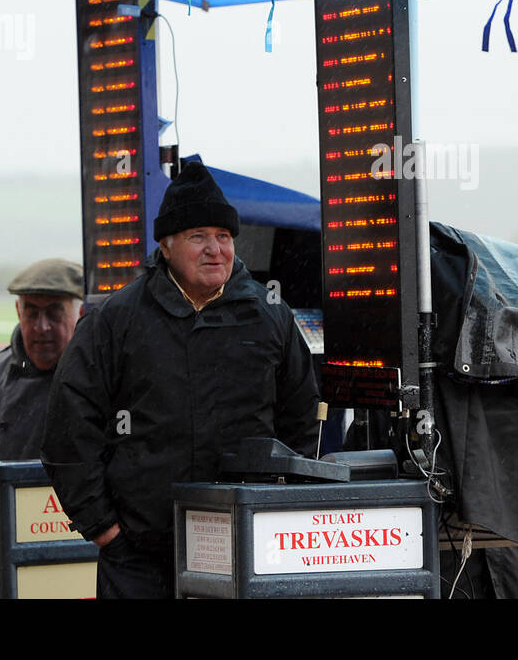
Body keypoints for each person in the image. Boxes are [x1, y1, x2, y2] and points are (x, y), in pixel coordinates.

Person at [41, 161, 320, 598]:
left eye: (224, 237)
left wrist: (277, 508)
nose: (215, 249)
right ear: (167, 246)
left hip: (245, 547)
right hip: (139, 556)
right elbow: (68, 425)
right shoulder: (117, 320)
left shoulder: (270, 317)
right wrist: (104, 528)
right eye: (198, 237)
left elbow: (301, 420)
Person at [0, 258, 84, 462]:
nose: (42, 327)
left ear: (81, 313)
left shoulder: (99, 380)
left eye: (54, 314)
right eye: (32, 313)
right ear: (18, 311)